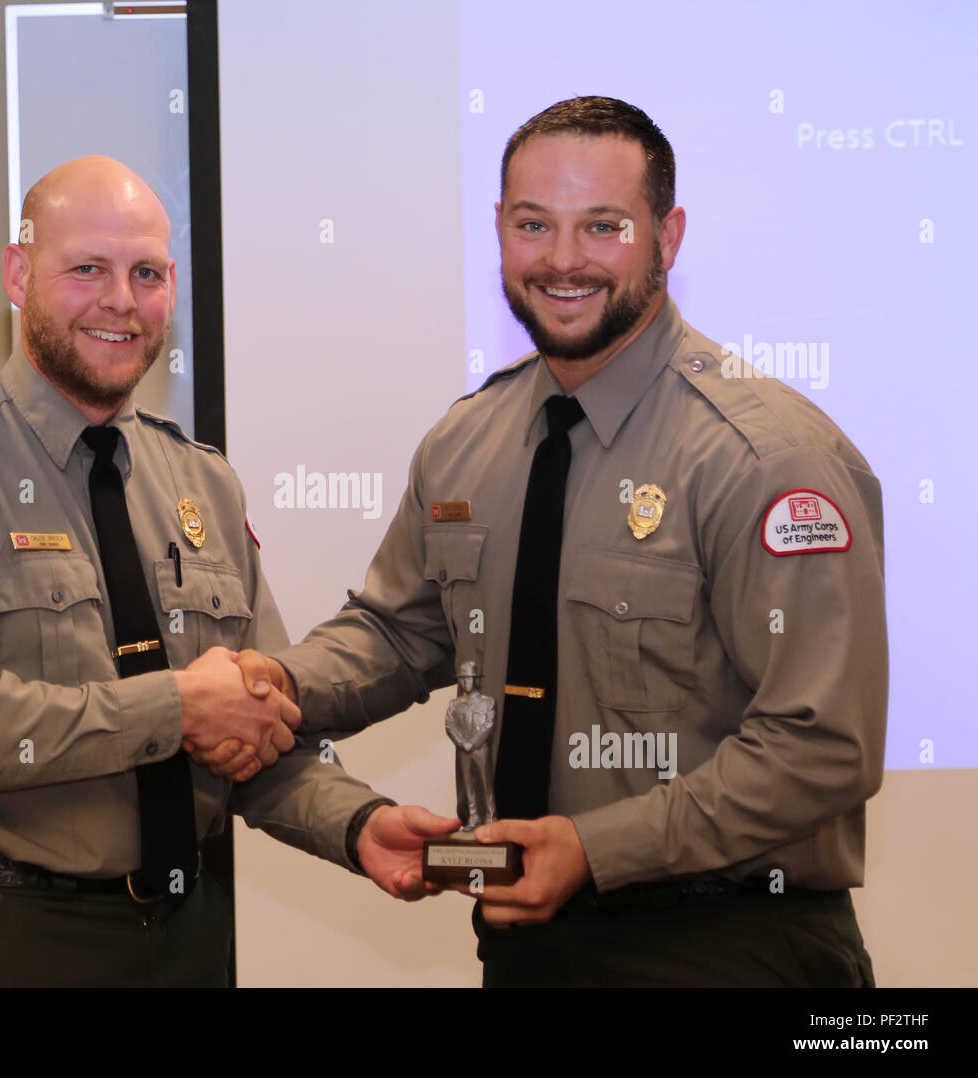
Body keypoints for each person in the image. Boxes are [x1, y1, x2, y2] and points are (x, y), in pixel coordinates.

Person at [226, 97, 887, 987]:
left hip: (732, 947)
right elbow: (401, 632)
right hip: (529, 946)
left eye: (604, 227)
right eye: (535, 224)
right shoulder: (468, 441)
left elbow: (822, 747)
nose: (565, 260)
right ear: (499, 229)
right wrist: (279, 686)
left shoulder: (765, 457)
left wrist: (594, 848)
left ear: (669, 234)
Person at [0, 156, 456, 988]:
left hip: (188, 938)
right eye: (87, 268)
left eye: (149, 274)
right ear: (18, 273)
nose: (122, 300)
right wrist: (178, 707)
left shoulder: (200, 479)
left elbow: (254, 731)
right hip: (9, 939)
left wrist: (357, 824)